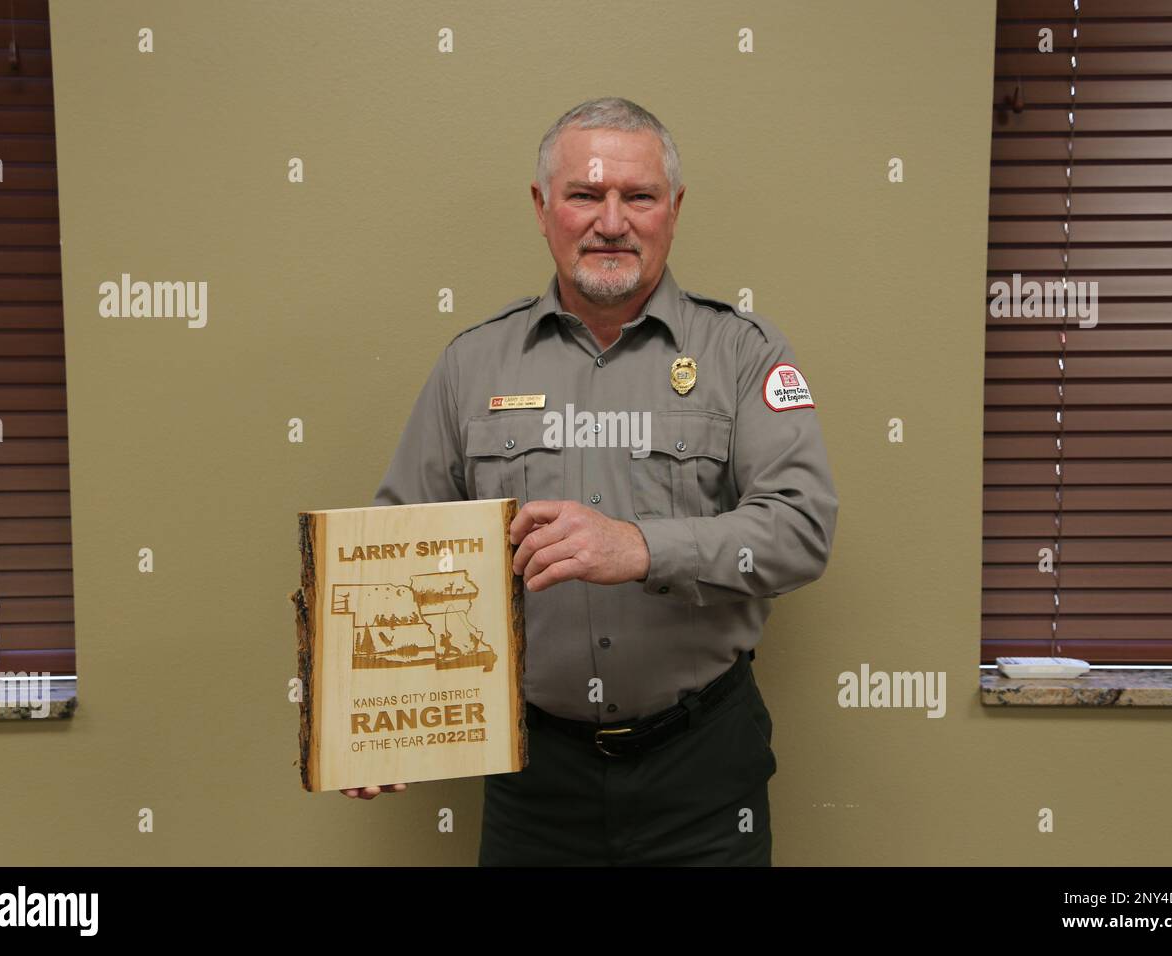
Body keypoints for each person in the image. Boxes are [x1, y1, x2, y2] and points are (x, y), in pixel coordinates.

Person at [342, 96, 837, 866]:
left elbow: (802, 532)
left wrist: (641, 547)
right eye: (584, 195)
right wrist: (380, 719)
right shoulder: (472, 364)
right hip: (535, 779)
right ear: (543, 209)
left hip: (702, 771)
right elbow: (398, 546)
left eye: (637, 196)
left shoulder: (746, 352)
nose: (612, 221)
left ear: (673, 209)